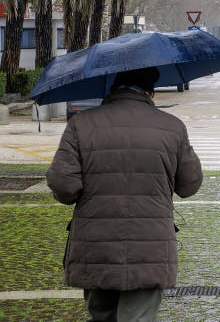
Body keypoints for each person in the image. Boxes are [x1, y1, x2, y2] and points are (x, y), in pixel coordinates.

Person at [46, 67, 203, 322]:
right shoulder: (172, 127)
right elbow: (189, 185)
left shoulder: (81, 124)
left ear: (112, 88)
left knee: (101, 315)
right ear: (149, 92)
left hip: (95, 246)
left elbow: (63, 185)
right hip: (150, 248)